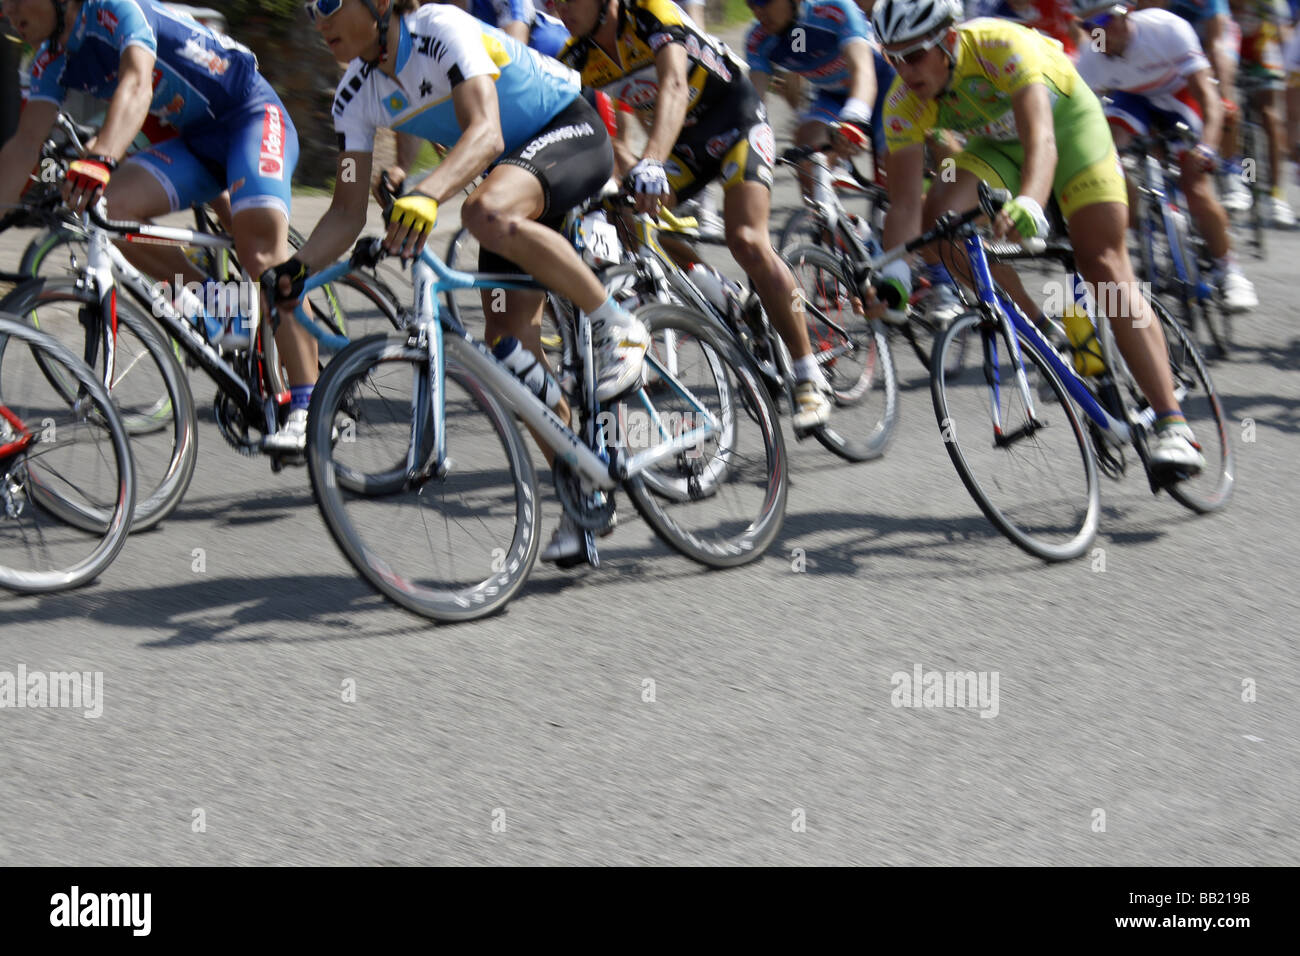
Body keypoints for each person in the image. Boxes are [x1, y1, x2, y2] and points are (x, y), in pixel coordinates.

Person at [275, 0, 647, 565]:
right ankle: (584, 488)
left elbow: (487, 133)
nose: (318, 21)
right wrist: (296, 271)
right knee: (509, 350)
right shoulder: (354, 96)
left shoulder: (440, 30)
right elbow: (346, 211)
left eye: (329, 4)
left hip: (567, 129)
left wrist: (427, 192)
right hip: (513, 182)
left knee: (482, 213)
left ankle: (617, 327)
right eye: (309, 10)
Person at [868, 0, 1206, 477]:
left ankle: (1175, 426)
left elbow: (1041, 140)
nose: (904, 70)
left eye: (915, 55)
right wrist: (895, 277)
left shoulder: (999, 46)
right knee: (940, 229)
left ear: (947, 40)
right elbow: (902, 204)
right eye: (892, 58)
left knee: (1103, 265)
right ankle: (1040, 330)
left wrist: (1029, 201)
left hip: (1068, 129)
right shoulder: (903, 102)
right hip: (997, 148)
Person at [0, 0, 317, 454]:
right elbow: (23, 146)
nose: (8, 12)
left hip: (248, 115)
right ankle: (223, 307)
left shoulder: (113, 10)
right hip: (193, 143)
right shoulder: (52, 59)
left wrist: (102, 154)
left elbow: (136, 80)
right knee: (109, 210)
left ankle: (309, 402)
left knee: (261, 254)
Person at [552, 0, 836, 431]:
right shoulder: (575, 57)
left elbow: (673, 87)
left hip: (737, 123)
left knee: (747, 239)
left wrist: (650, 160)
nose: (559, 10)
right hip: (682, 149)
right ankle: (723, 294)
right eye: (549, 2)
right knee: (628, 218)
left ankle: (807, 374)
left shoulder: (651, 12)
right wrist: (622, 174)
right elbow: (594, 134)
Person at [1073, 1, 1259, 310]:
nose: (1097, 33)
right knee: (1108, 154)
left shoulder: (1166, 29)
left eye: (1105, 20)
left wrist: (1207, 148)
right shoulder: (1091, 58)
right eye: (1087, 26)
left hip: (1178, 97)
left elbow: (1209, 99)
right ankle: (1150, 227)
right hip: (1132, 101)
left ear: (1126, 15)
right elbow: (1080, 121)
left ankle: (1230, 270)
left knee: (1196, 187)